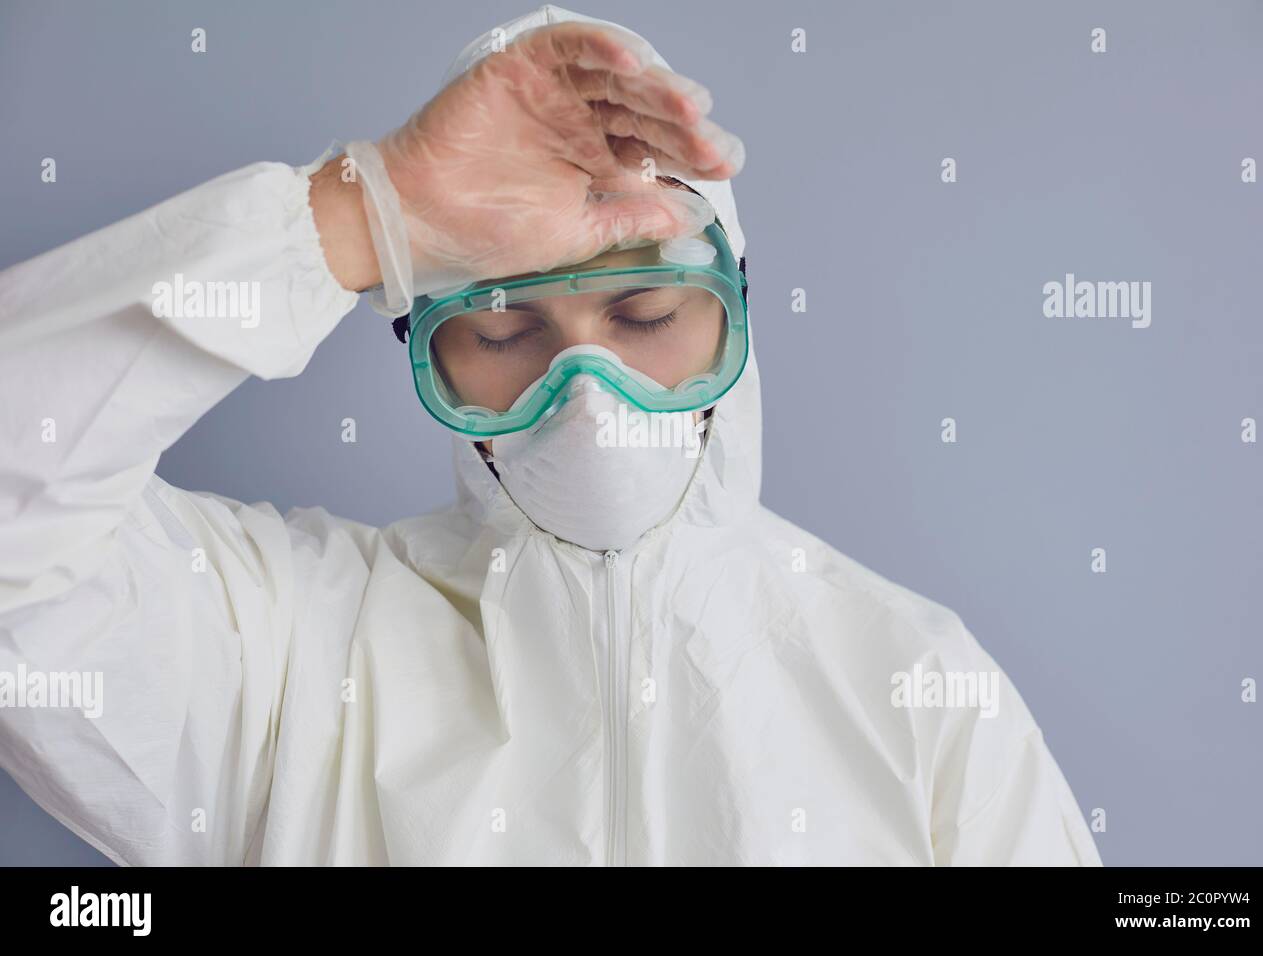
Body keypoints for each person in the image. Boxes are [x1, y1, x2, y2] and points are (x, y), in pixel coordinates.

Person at [0, 4, 1102, 866]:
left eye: (648, 316)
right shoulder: (290, 654)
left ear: (737, 314)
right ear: (426, 354)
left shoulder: (911, 676)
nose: (587, 396)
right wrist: (365, 211)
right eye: (502, 330)